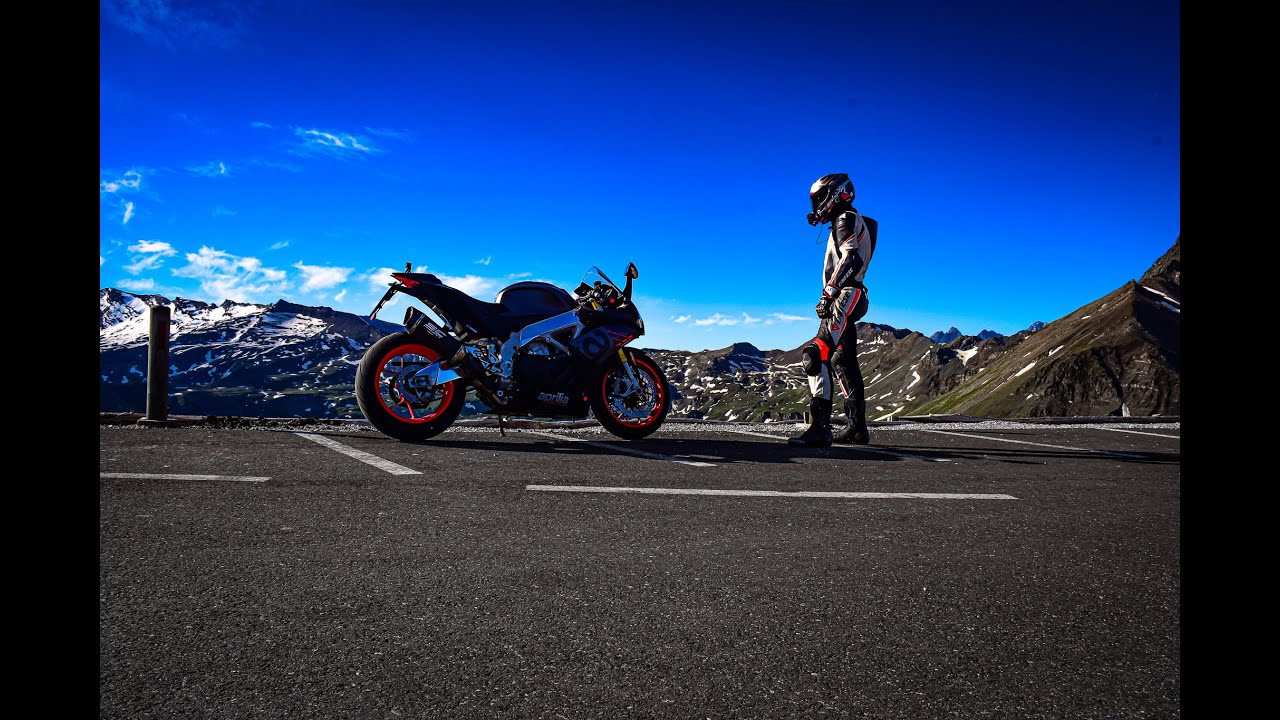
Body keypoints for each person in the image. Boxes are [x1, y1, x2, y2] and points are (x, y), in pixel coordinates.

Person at [789, 173, 877, 448]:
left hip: (845, 294)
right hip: (852, 294)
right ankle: (857, 428)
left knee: (815, 354)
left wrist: (829, 293)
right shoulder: (850, 218)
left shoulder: (844, 219)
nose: (816, 205)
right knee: (842, 360)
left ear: (836, 194)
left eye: (819, 199)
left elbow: (852, 259)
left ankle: (820, 429)